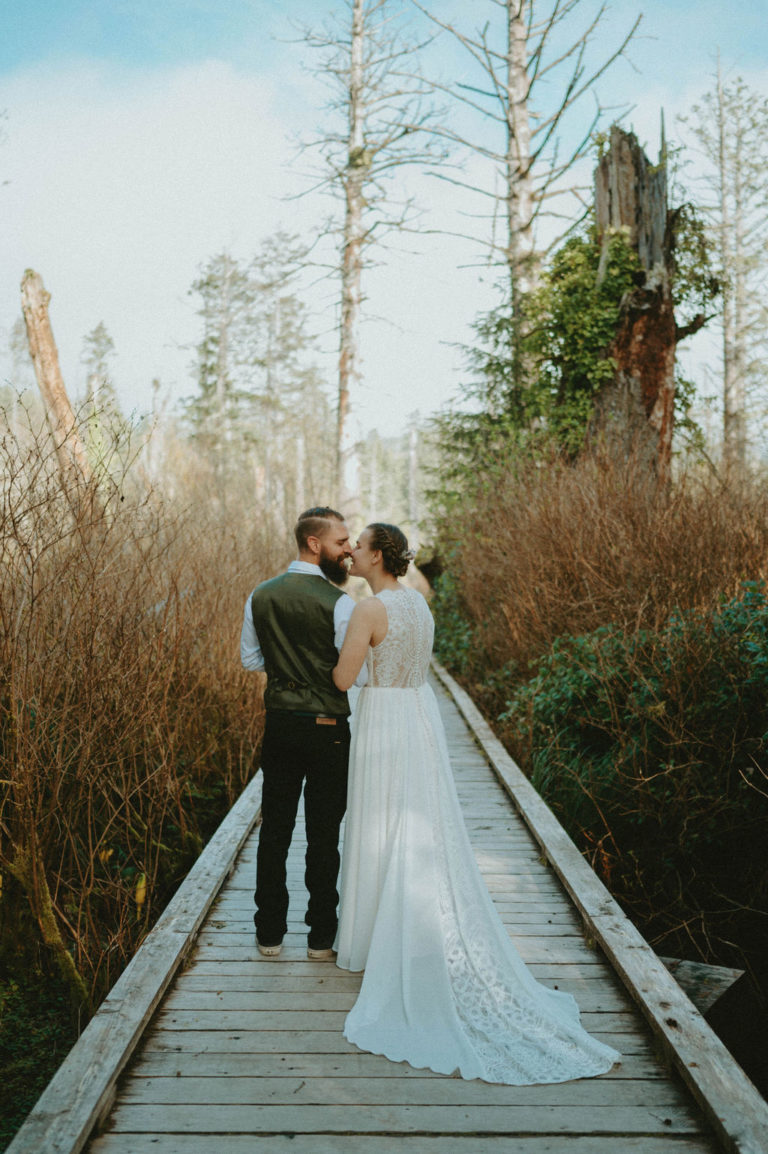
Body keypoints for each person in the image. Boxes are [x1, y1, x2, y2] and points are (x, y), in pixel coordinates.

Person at [331, 522, 620, 1084]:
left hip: (385, 721)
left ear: (378, 557)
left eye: (359, 547)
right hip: (418, 715)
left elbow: (345, 680)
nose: (353, 554)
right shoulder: (420, 607)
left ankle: (373, 938)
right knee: (416, 821)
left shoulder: (366, 612)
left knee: (378, 821)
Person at [240, 506, 364, 960]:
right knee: (323, 833)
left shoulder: (261, 594)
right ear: (314, 543)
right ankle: (320, 937)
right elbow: (352, 674)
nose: (348, 549)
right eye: (341, 541)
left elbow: (251, 661)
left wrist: (286, 671)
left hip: (279, 726)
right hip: (329, 731)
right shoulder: (342, 603)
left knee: (275, 828)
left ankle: (269, 933)